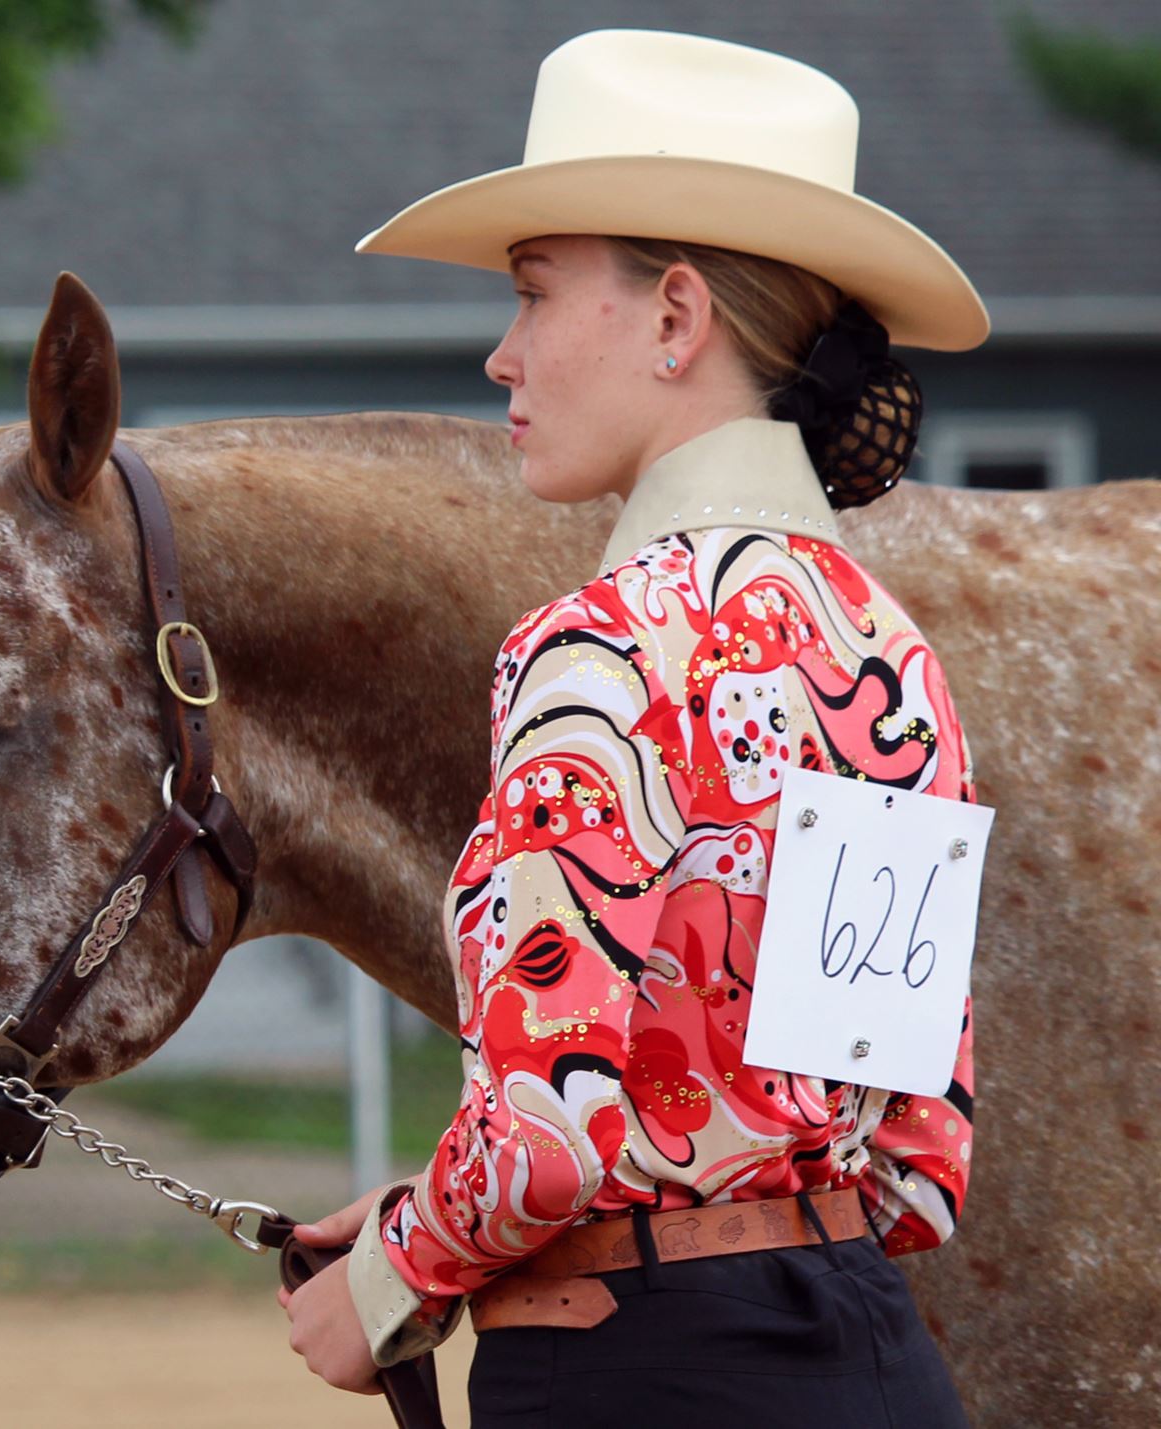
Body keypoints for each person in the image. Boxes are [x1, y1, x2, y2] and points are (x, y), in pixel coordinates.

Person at [278, 29, 982, 1427]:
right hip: (877, 1366)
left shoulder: (601, 647)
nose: (502, 354)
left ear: (674, 319)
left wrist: (382, 1291)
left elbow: (545, 1142)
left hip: (639, 1377)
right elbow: (914, 1153)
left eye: (534, 294)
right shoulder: (889, 656)